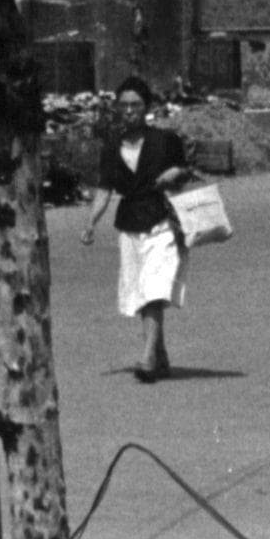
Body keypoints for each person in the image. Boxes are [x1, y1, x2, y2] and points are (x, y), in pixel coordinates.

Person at [82, 75, 187, 382]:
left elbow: (184, 170)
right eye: (124, 105)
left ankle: (147, 357)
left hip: (162, 220)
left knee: (155, 287)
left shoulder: (165, 141)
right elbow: (104, 190)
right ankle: (160, 354)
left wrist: (173, 173)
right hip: (129, 224)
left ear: (147, 108)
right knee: (142, 291)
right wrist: (90, 223)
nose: (129, 111)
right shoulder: (111, 147)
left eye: (136, 105)